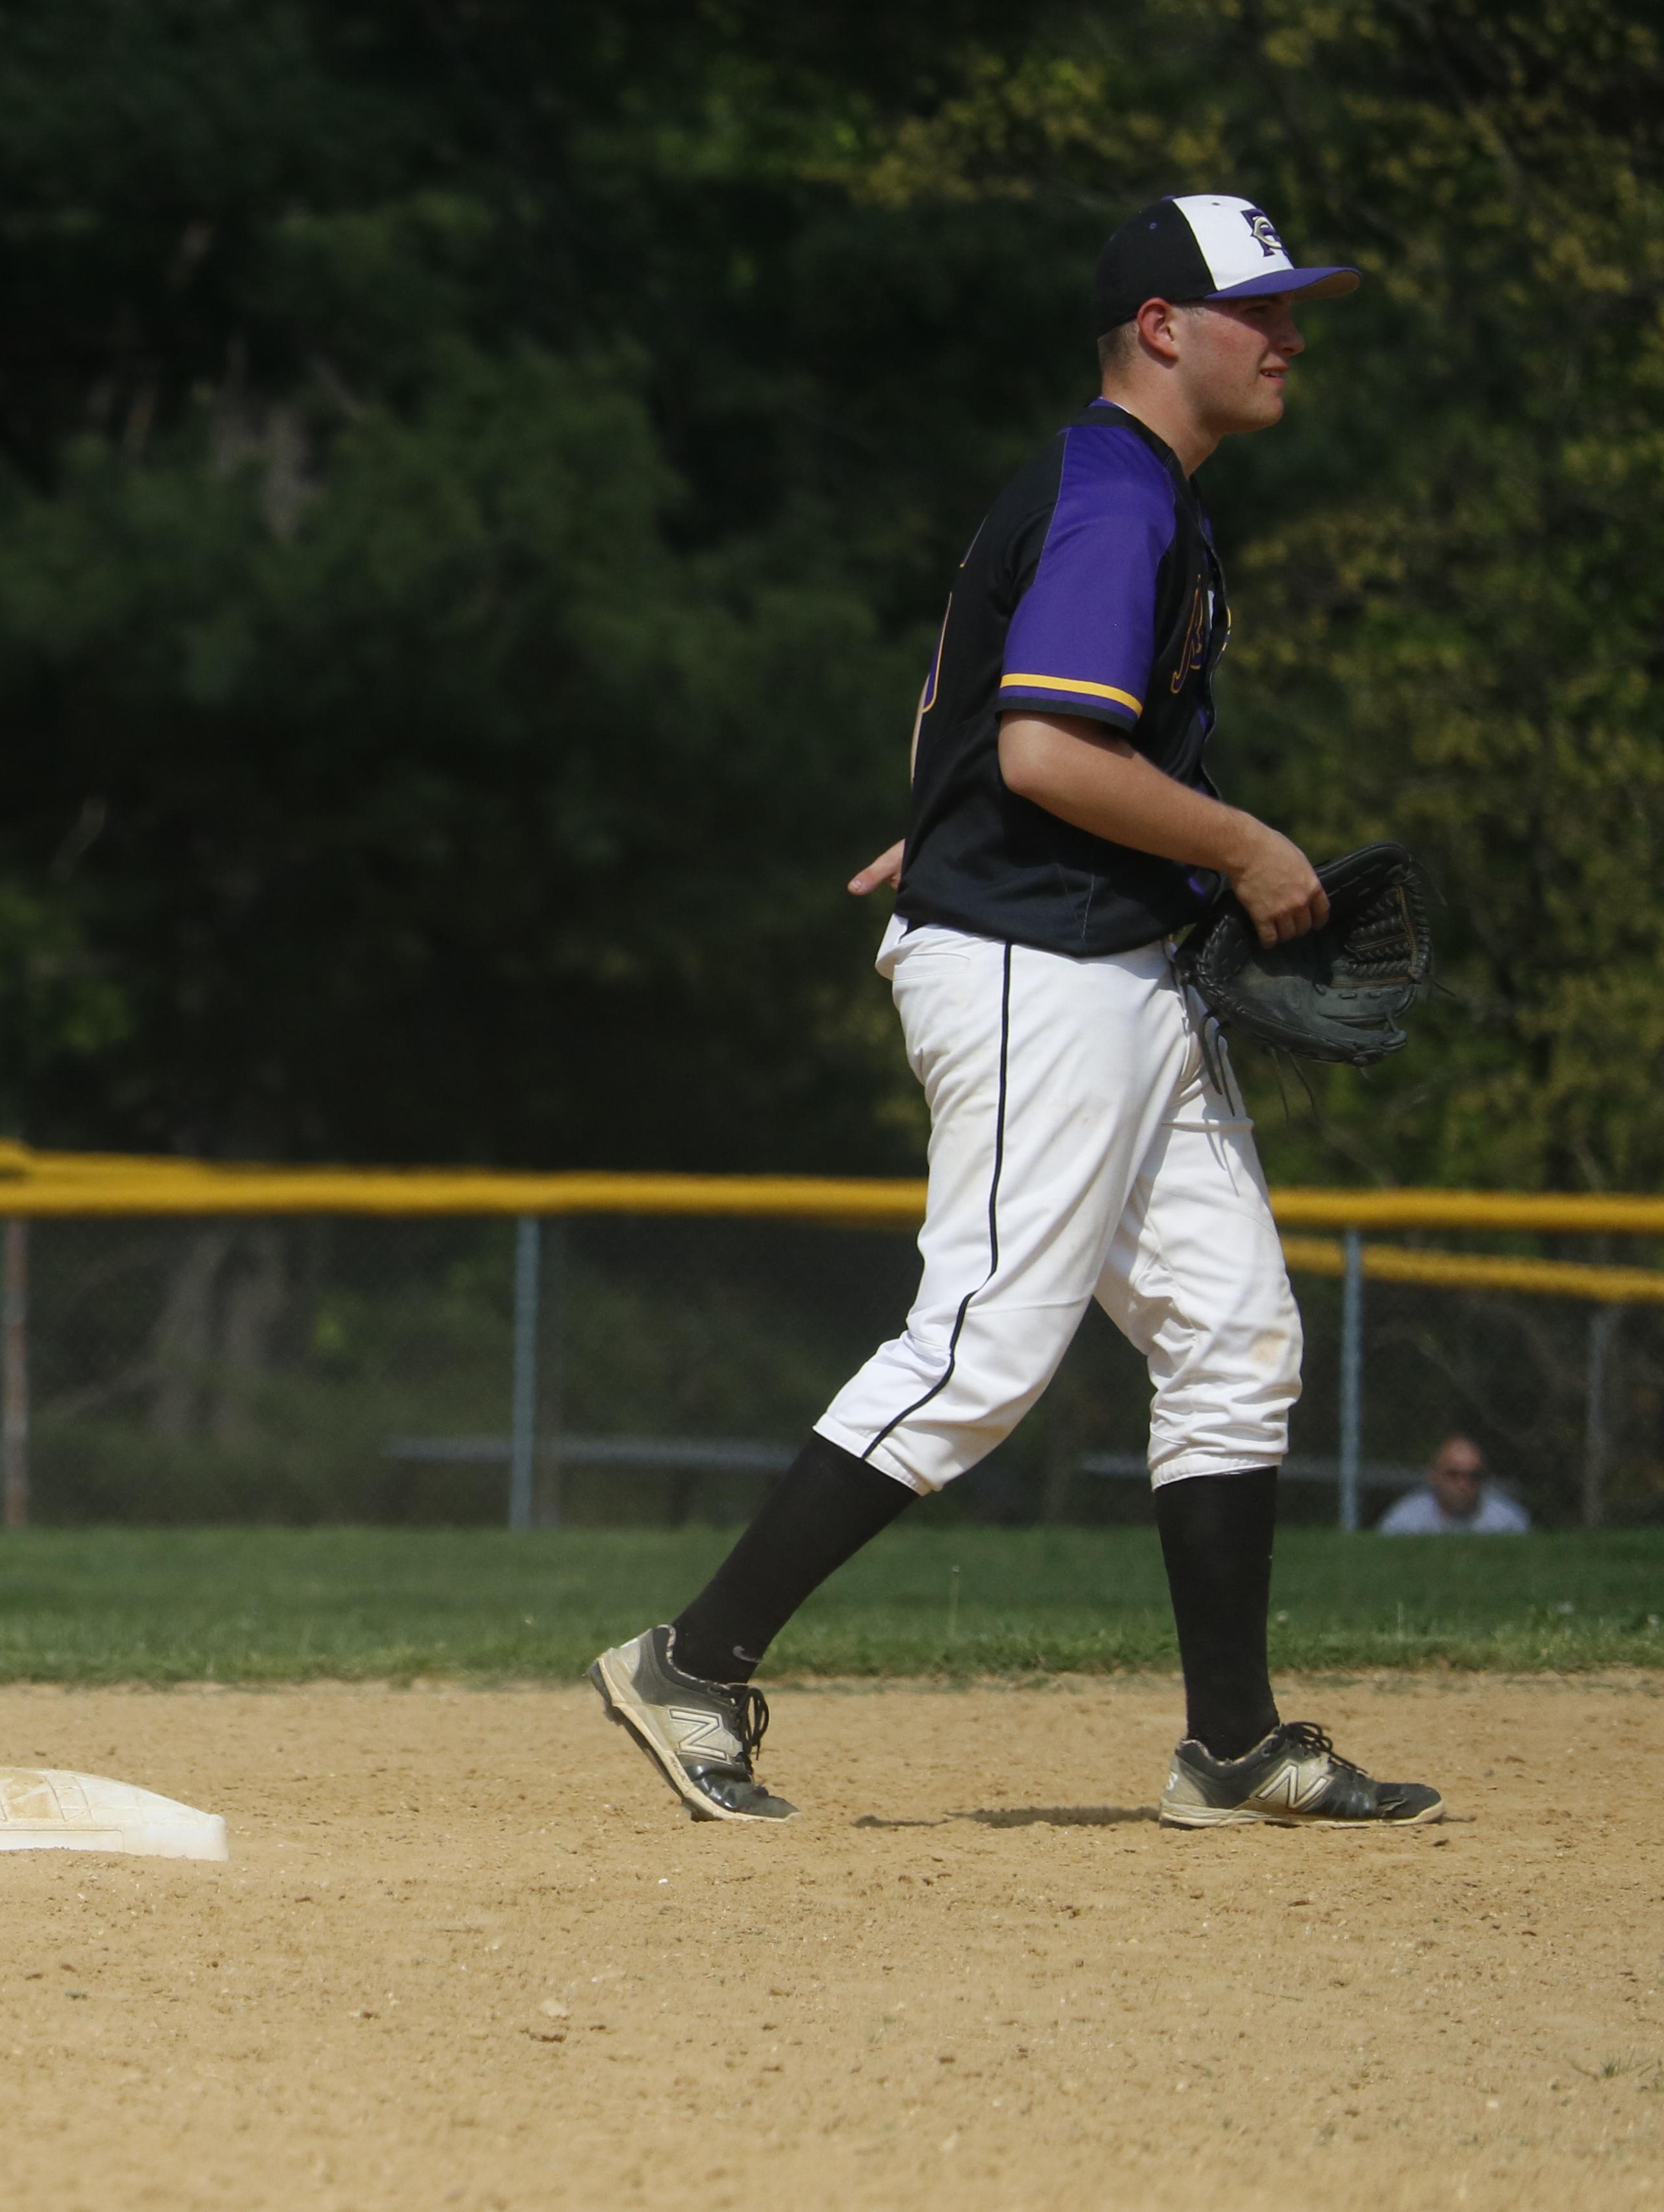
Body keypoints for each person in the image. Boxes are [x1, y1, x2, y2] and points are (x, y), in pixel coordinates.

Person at [592, 194, 1446, 1831]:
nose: (1289, 337)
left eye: (1290, 306)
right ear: (1160, 328)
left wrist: (953, 805)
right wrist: (1248, 843)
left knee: (1234, 1329)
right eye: (1258, 309)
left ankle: (1234, 1744)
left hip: (1107, 957)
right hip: (1038, 967)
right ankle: (692, 1661)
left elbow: (1011, 732)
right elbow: (1055, 751)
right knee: (983, 1342)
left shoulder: (1136, 500)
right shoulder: (1121, 495)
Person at [1376, 1434, 1530, 1534]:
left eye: (1474, 1476)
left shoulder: (1507, 1522)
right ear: (1434, 1476)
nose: (1463, 1484)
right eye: (1453, 1475)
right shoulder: (1406, 1521)